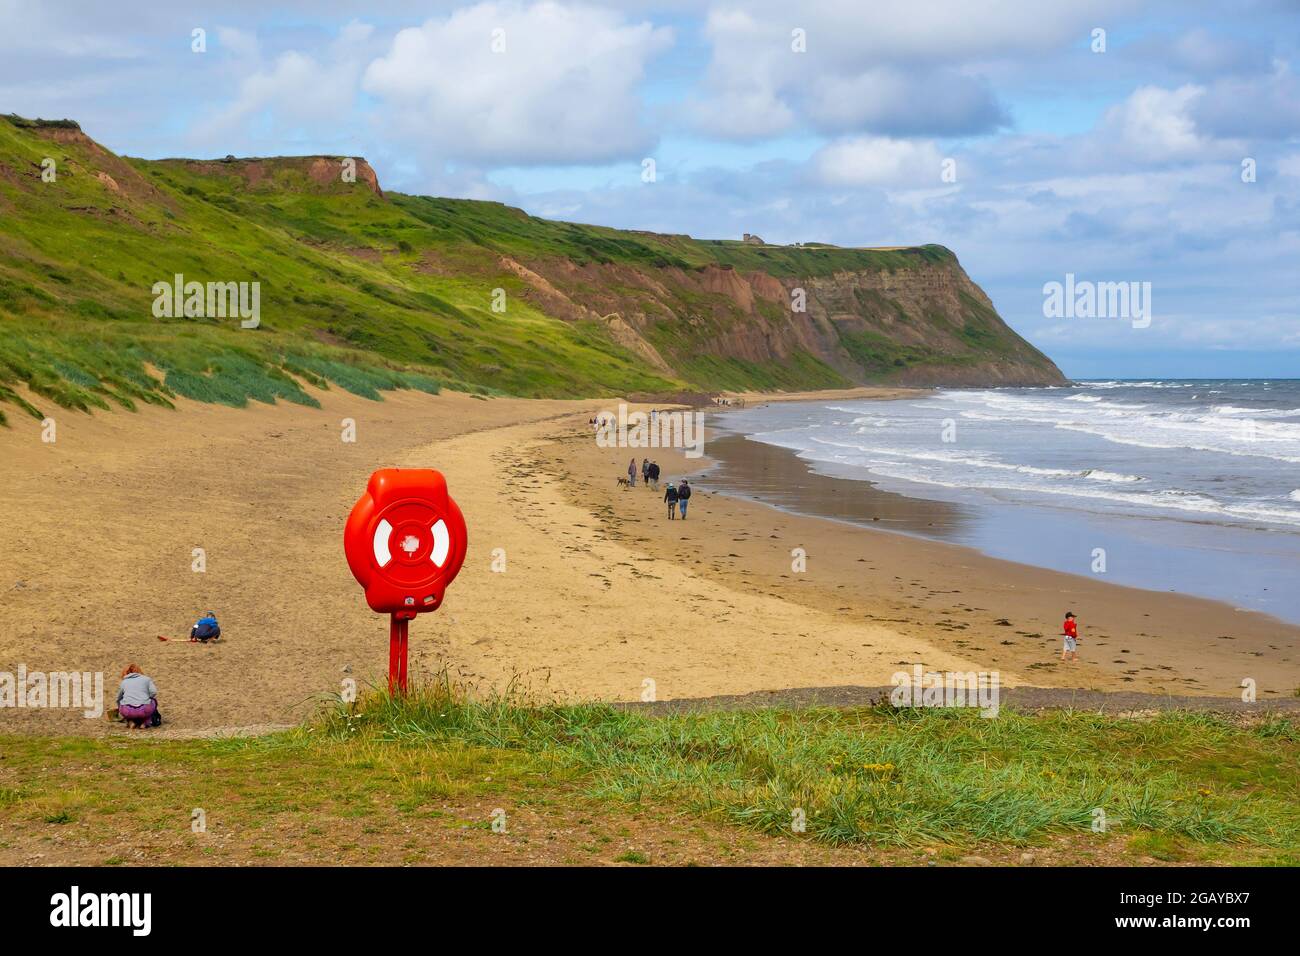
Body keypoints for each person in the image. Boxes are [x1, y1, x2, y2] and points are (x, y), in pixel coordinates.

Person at [116, 664, 159, 729]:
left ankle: (130, 721)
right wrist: (148, 697)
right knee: (153, 701)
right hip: (144, 710)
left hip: (127, 711)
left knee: (123, 702)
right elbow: (154, 692)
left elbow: (118, 698)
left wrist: (119, 708)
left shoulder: (123, 682)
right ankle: (145, 723)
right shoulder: (147, 679)